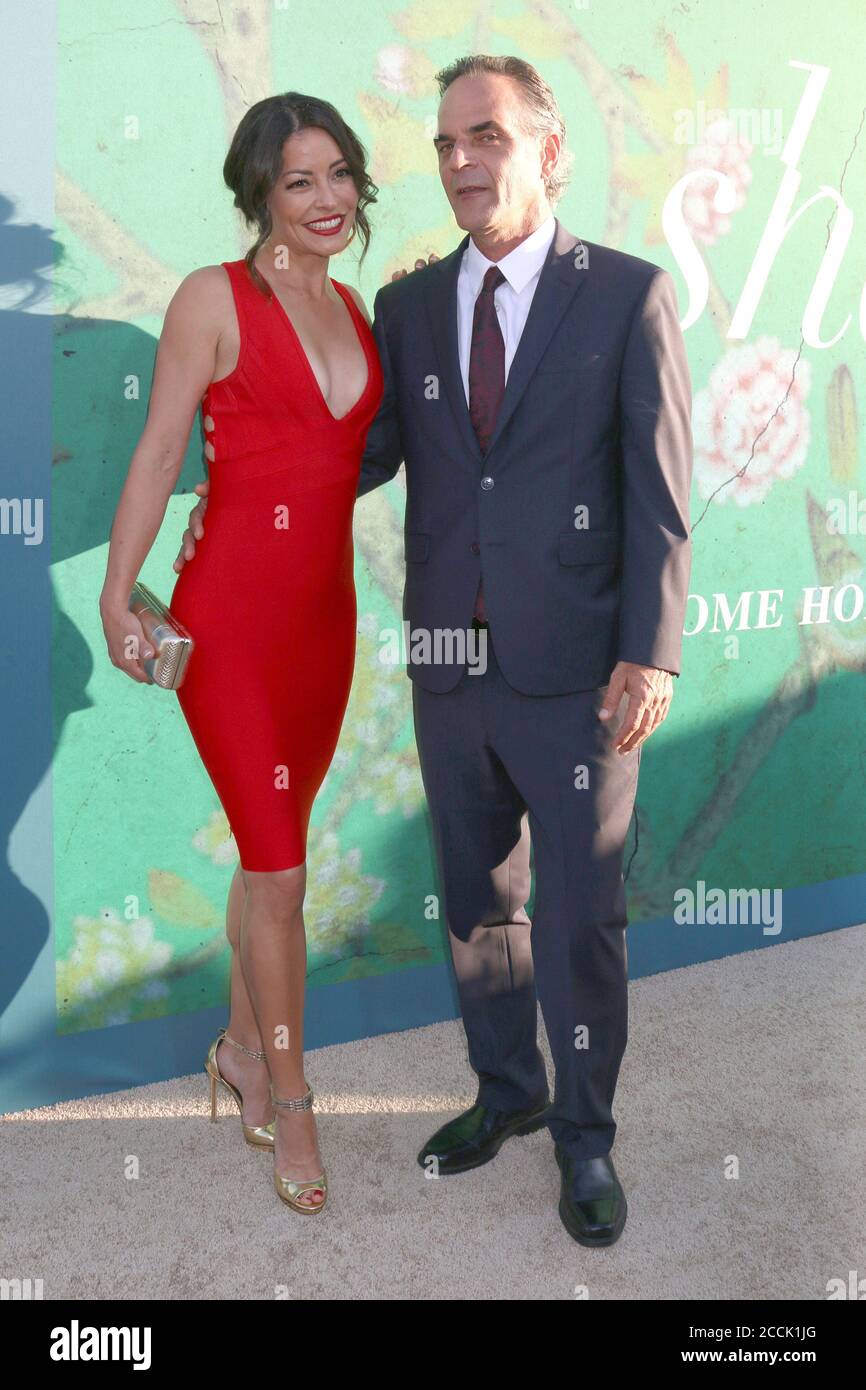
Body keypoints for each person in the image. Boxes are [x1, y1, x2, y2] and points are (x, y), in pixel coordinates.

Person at [175, 55, 694, 1246]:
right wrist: (243, 495)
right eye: (445, 145)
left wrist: (650, 655)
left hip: (577, 670)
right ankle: (505, 1096)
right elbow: (354, 449)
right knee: (475, 904)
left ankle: (585, 1140)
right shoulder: (406, 307)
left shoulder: (624, 295)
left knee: (578, 917)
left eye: (487, 137)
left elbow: (657, 496)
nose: (461, 162)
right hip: (448, 659)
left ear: (546, 149)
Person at [99, 93, 384, 1214]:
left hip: (325, 629)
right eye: (298, 180)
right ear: (259, 192)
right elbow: (161, 444)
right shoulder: (212, 300)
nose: (324, 199)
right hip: (230, 632)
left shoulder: (358, 308)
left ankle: (232, 1043)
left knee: (271, 862)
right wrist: (119, 595)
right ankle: (292, 1091)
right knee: (278, 875)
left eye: (339, 176)